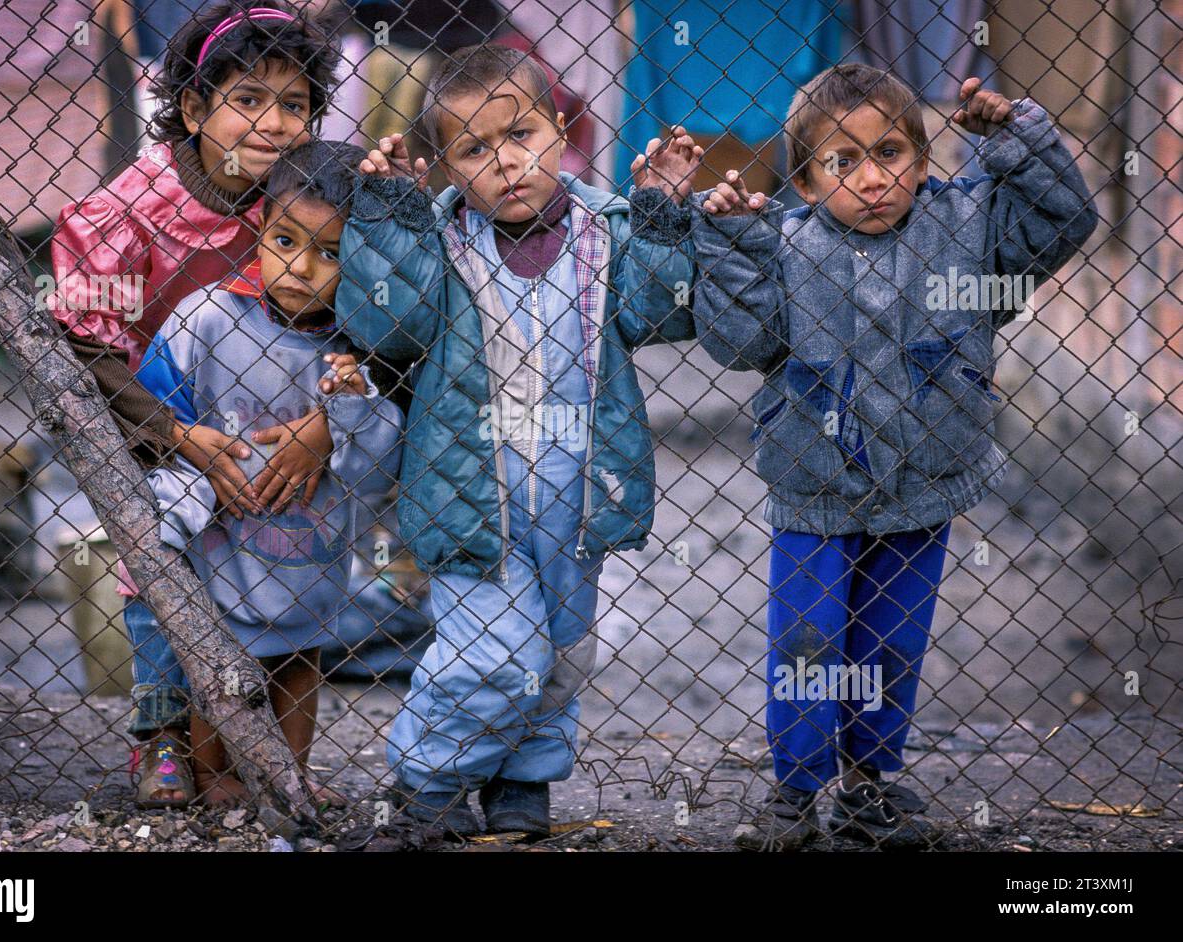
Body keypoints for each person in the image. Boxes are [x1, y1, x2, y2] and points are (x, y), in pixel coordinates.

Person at [335, 43, 744, 838]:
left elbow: (659, 316)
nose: (507, 163)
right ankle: (426, 784)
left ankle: (522, 780)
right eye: (475, 150)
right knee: (491, 648)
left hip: (578, 492)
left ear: (561, 132)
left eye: (521, 135)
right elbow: (390, 326)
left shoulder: (607, 231)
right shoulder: (439, 238)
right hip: (466, 490)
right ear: (444, 167)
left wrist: (660, 212)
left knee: (558, 651)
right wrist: (388, 217)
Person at [692, 64, 1097, 849]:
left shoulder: (966, 227)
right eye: (844, 162)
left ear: (923, 155)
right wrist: (733, 245)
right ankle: (796, 789)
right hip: (817, 480)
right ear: (805, 184)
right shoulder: (782, 242)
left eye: (893, 153)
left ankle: (869, 779)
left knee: (891, 637)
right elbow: (739, 341)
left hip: (925, 474)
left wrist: (1017, 140)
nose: (875, 179)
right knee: (809, 640)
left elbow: (1063, 225)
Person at [49, 1, 341, 808]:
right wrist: (175, 436)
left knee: (272, 575)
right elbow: (86, 342)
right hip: (152, 416)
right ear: (192, 107)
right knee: (159, 567)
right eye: (247, 99)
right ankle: (160, 737)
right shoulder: (136, 207)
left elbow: (385, 319)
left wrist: (327, 426)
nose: (274, 123)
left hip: (269, 425)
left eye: (295, 105)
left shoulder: (301, 196)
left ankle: (261, 750)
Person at [134, 139, 403, 806]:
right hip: (225, 532)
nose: (300, 267)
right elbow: (158, 413)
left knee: (301, 657)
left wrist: (350, 405)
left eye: (330, 253)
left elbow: (376, 464)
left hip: (312, 541)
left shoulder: (359, 345)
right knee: (221, 662)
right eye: (284, 239)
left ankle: (291, 773)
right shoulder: (209, 320)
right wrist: (191, 492)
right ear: (259, 227)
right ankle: (216, 774)